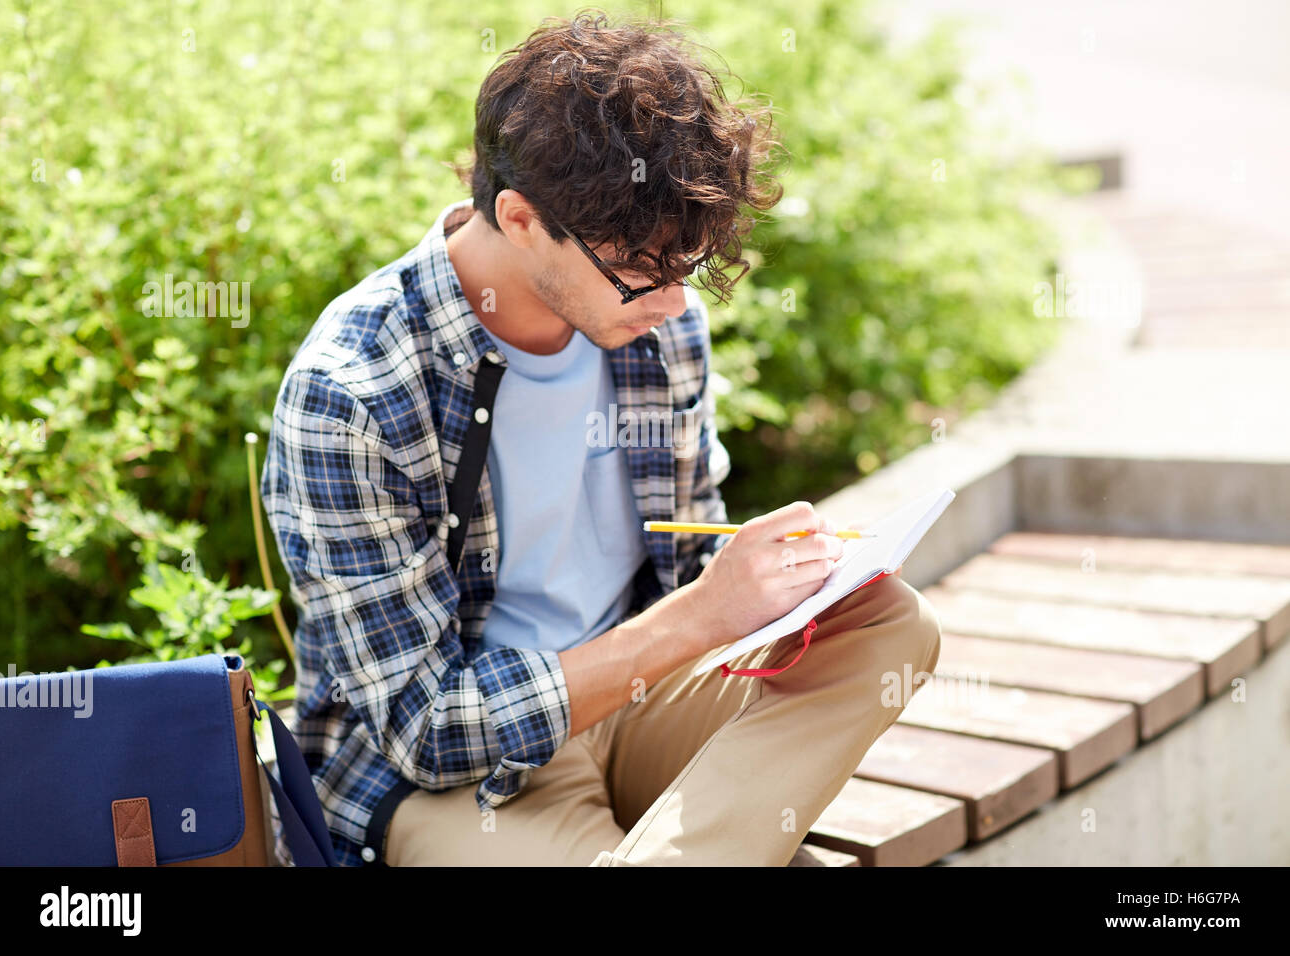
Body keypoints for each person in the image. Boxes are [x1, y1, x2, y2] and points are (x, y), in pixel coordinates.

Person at [260, 10, 941, 868]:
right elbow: (423, 731)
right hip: (463, 779)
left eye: (684, 271)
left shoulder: (658, 323)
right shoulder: (352, 391)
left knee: (891, 624)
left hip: (644, 704)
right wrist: (700, 615)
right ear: (518, 218)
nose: (672, 302)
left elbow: (688, 567)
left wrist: (788, 581)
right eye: (640, 275)